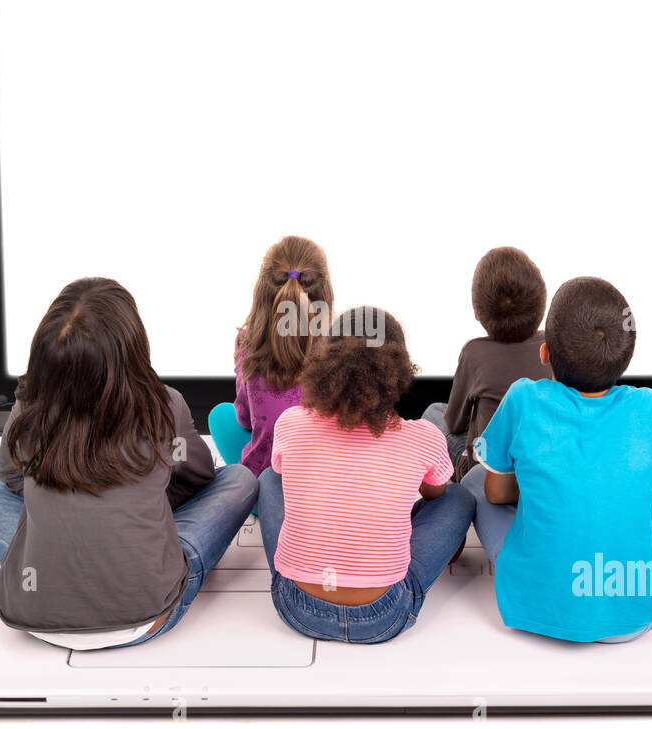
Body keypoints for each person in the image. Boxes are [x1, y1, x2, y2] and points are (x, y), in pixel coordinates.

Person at [0, 277, 258, 649]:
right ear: (133, 349)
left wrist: (67, 497)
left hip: (35, 613)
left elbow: (12, 480)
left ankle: (61, 563)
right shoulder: (162, 405)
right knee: (240, 480)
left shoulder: (29, 408)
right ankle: (128, 548)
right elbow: (200, 477)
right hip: (148, 615)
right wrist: (140, 499)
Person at [464, 276, 652, 643]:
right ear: (628, 357)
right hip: (633, 617)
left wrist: (547, 488)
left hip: (533, 606)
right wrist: (634, 494)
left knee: (474, 482)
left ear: (544, 353)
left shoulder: (522, 399)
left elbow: (496, 494)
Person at [256, 306, 476, 643]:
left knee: (270, 478)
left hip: (296, 606)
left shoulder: (291, 422)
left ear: (325, 364)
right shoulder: (422, 437)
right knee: (459, 496)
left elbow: (287, 474)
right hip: (384, 614)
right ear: (398, 371)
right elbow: (435, 494)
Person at [422, 246, 553, 480]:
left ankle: (447, 483)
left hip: (484, 473)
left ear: (476, 312)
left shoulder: (474, 353)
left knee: (434, 412)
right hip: (538, 468)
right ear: (542, 306)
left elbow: (454, 423)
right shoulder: (551, 346)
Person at [208, 235, 333, 476]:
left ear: (262, 290)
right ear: (325, 292)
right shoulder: (338, 345)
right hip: (322, 483)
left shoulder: (247, 342)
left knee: (221, 415)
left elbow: (244, 419)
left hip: (263, 477)